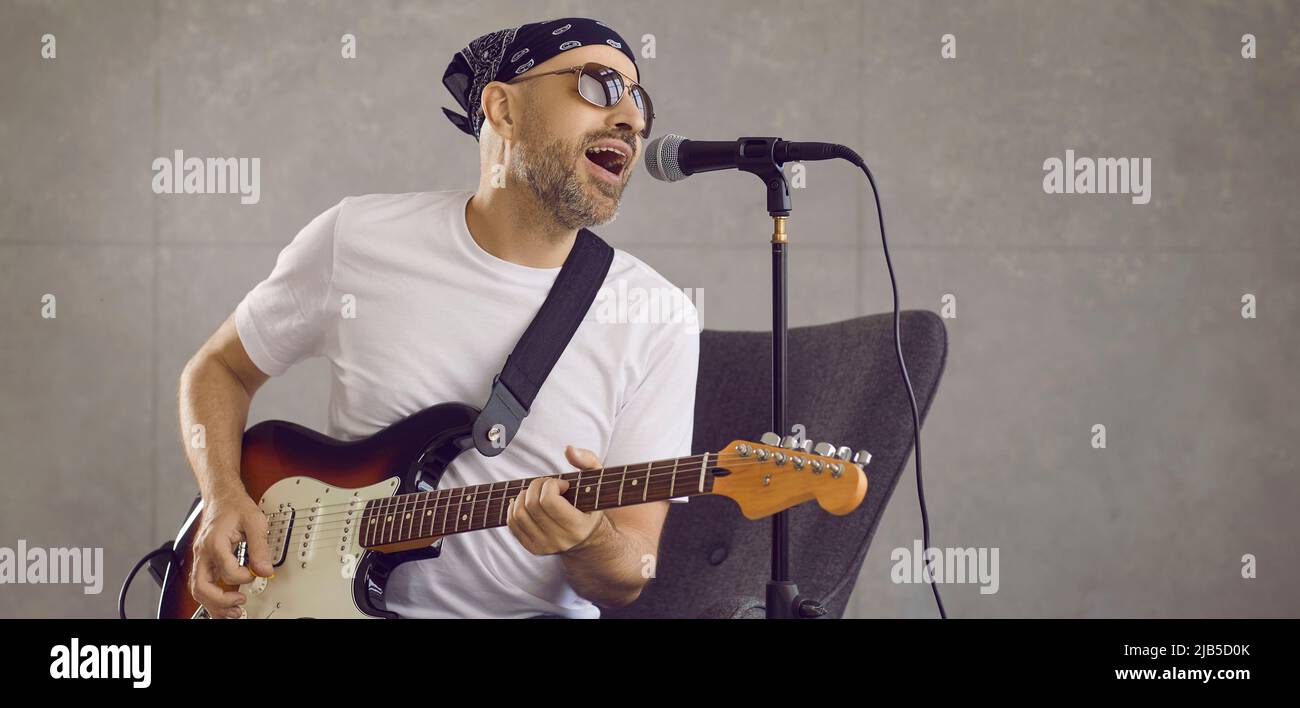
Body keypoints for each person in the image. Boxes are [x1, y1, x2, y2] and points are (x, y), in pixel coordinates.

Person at [178, 17, 699, 619]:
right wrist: (222, 496)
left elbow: (629, 572)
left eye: (640, 102)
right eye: (600, 86)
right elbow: (218, 368)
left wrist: (589, 539)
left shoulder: (658, 317)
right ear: (502, 109)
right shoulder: (358, 239)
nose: (631, 119)